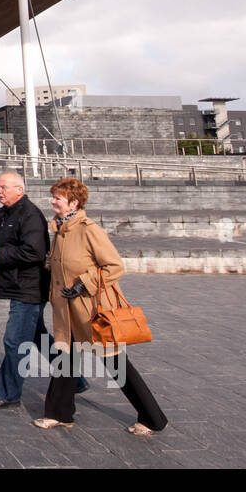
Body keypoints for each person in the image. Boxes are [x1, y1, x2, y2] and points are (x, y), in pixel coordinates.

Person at [34, 177, 168, 436]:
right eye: (54, 197)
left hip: (91, 311)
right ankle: (58, 414)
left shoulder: (88, 229)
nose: (53, 202)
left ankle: (153, 418)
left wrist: (84, 283)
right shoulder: (61, 230)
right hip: (67, 311)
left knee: (116, 364)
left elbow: (114, 266)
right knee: (67, 360)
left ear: (73, 203)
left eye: (57, 198)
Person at [0, 172, 86, 409]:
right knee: (37, 336)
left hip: (29, 287)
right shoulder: (7, 215)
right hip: (18, 284)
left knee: (15, 341)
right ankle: (74, 380)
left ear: (19, 189)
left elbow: (33, 253)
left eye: (4, 187)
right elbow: (9, 244)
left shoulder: (29, 215)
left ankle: (8, 394)